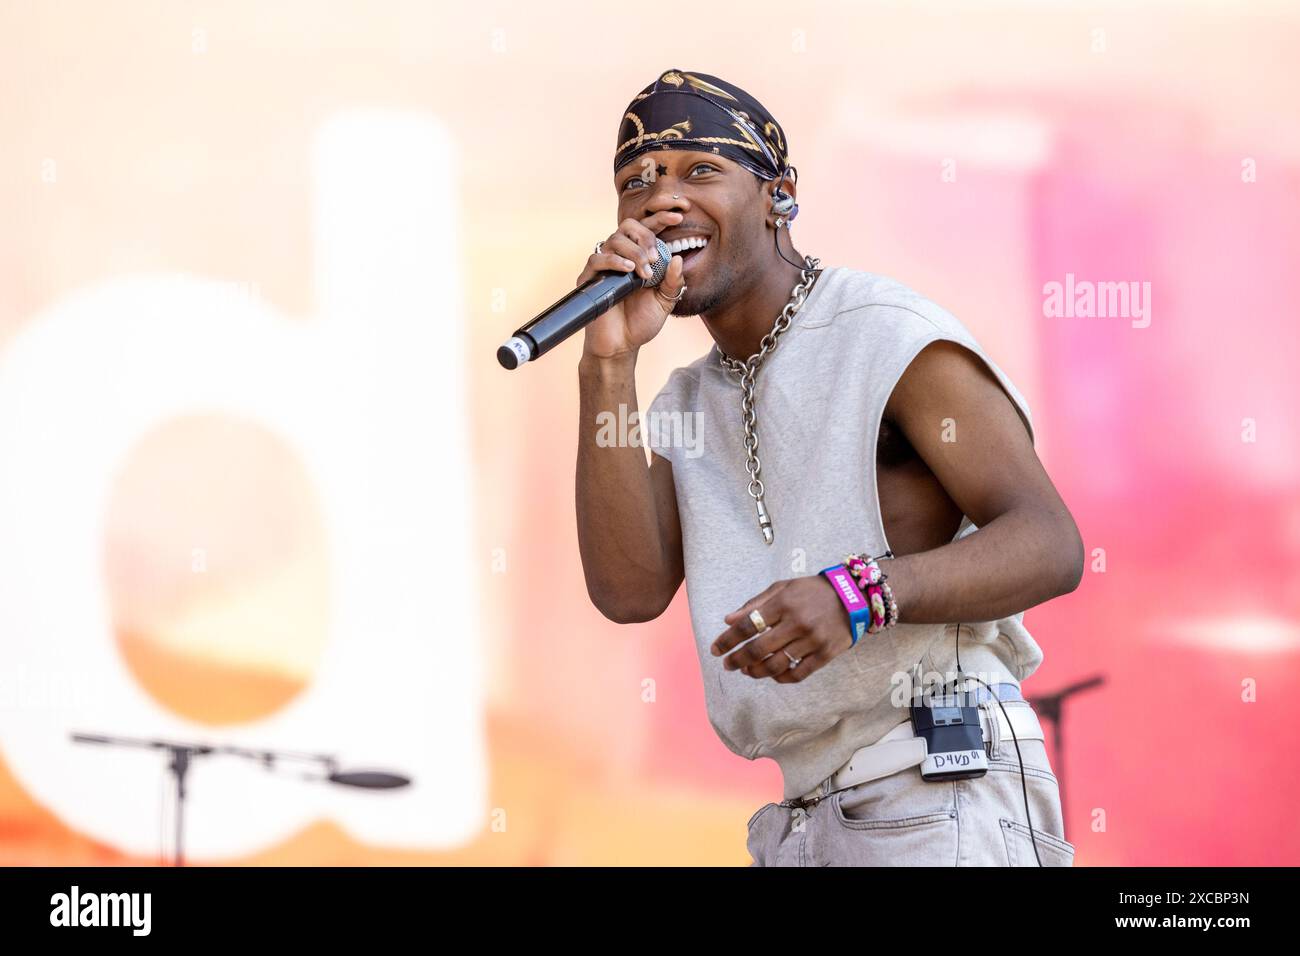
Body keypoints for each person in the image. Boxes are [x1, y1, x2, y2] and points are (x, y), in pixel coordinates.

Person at [573, 69, 1083, 866]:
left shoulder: (884, 334)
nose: (659, 199)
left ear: (780, 195)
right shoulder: (686, 399)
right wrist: (606, 366)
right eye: (635, 182)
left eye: (699, 170)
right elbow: (629, 591)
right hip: (806, 815)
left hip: (939, 775)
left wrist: (859, 594)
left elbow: (1050, 542)